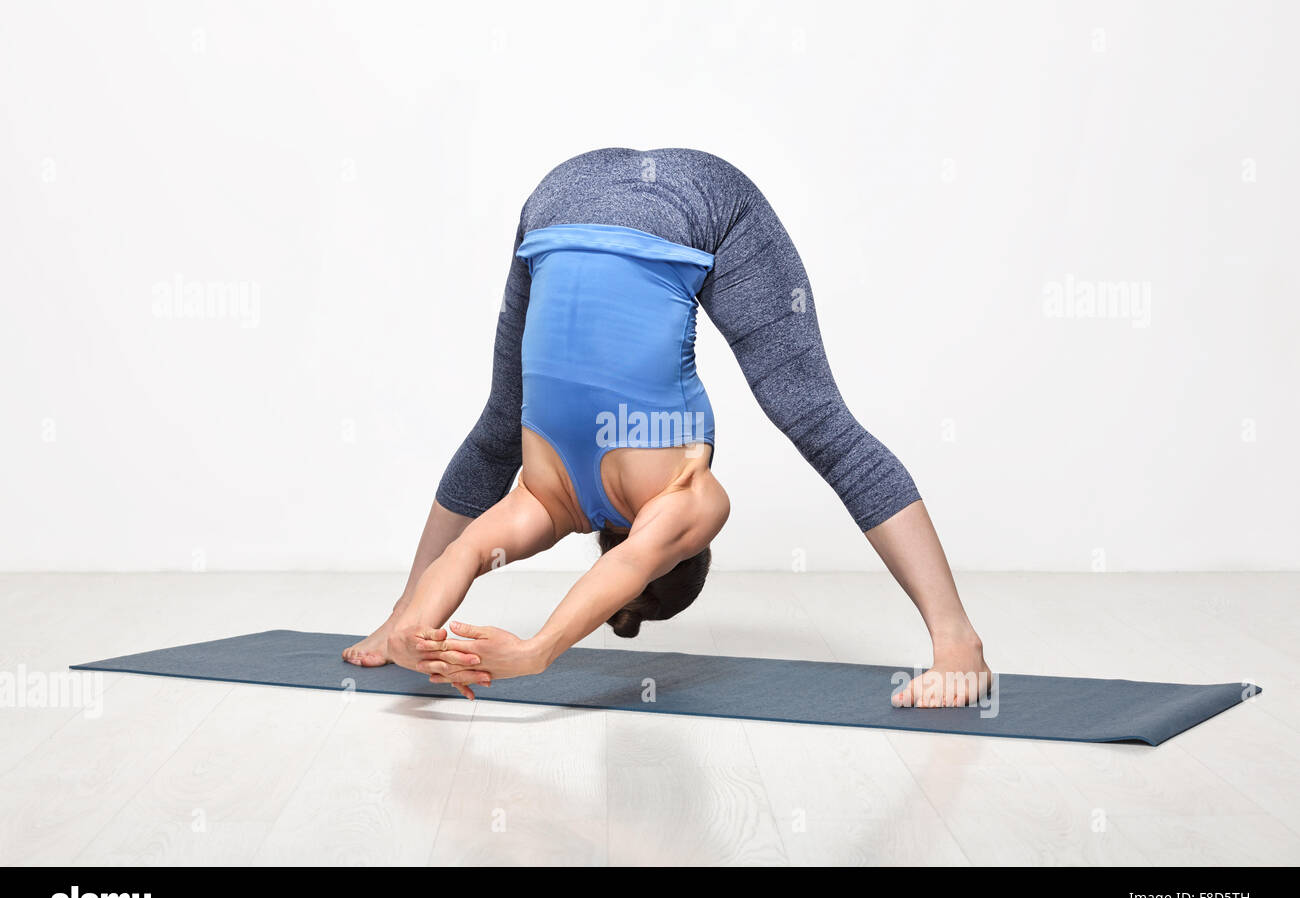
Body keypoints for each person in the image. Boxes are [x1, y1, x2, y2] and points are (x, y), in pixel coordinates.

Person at [344, 148, 990, 707]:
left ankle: (958, 643)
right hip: (563, 212)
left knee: (815, 419)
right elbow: (585, 562)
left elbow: (631, 563)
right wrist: (465, 639)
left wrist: (438, 631)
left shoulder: (682, 496)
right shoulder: (547, 501)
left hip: (585, 191)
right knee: (504, 425)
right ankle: (956, 642)